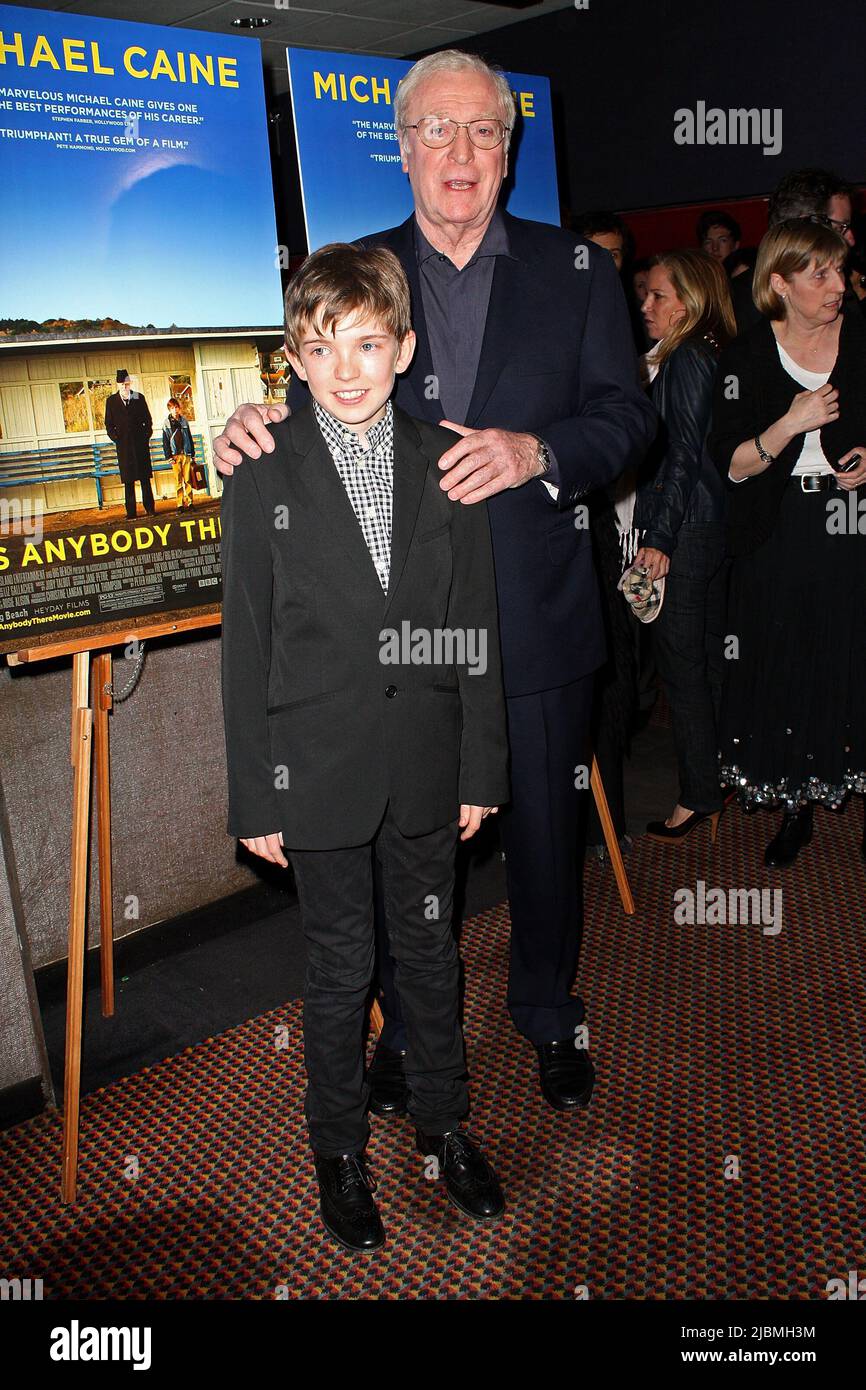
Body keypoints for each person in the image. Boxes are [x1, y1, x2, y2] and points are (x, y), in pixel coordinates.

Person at [213, 50, 656, 1115]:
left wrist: (535, 453)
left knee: (546, 840)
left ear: (509, 154)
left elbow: (628, 418)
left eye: (483, 134)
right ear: (401, 146)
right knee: (407, 843)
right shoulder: (357, 268)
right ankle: (409, 1032)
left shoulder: (579, 274)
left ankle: (547, 1011)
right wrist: (248, 422)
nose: (460, 153)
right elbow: (307, 399)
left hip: (536, 612)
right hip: (403, 640)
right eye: (437, 132)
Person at [220, 243, 510, 1252]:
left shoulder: (447, 461)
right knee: (339, 967)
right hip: (318, 769)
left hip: (427, 763)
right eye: (319, 347)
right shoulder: (261, 477)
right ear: (293, 360)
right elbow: (248, 644)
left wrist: (480, 766)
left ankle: (443, 1124)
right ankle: (336, 1149)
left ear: (403, 347)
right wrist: (255, 796)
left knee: (430, 955)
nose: (344, 368)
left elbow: (470, 624)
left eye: (365, 343)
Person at [708, 219, 866, 867]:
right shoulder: (744, 356)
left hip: (852, 522)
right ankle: (794, 804)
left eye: (838, 270)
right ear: (780, 282)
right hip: (777, 531)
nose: (836, 287)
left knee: (854, 654)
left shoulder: (861, 337)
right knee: (790, 658)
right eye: (819, 275)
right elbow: (734, 465)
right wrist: (790, 424)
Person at [633, 250, 736, 842]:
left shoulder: (690, 357)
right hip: (703, 525)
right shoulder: (702, 352)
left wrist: (660, 538)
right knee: (704, 660)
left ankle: (698, 793)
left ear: (689, 302)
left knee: (683, 665)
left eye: (658, 296)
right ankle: (713, 776)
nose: (646, 305)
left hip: (686, 530)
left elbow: (683, 454)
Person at [730, 168, 857, 333]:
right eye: (841, 227)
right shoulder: (734, 307)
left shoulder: (839, 285)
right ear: (805, 226)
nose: (851, 239)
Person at [104, 369, 154, 519]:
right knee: (128, 481)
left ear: (130, 383)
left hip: (140, 446)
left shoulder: (139, 397)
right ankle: (131, 512)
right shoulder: (111, 401)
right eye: (121, 384)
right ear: (117, 384)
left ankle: (150, 509)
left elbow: (148, 420)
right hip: (124, 447)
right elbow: (108, 424)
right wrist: (117, 438)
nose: (124, 387)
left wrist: (145, 436)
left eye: (126, 383)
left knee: (145, 479)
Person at [161, 398, 195, 509]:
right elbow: (165, 441)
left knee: (188, 479)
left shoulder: (184, 421)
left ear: (179, 408)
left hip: (186, 454)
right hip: (175, 455)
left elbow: (189, 437)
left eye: (176, 407)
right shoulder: (166, 423)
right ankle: (180, 503)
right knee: (178, 480)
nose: (175, 410)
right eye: (172, 408)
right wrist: (168, 457)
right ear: (169, 410)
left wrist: (192, 453)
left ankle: (190, 502)